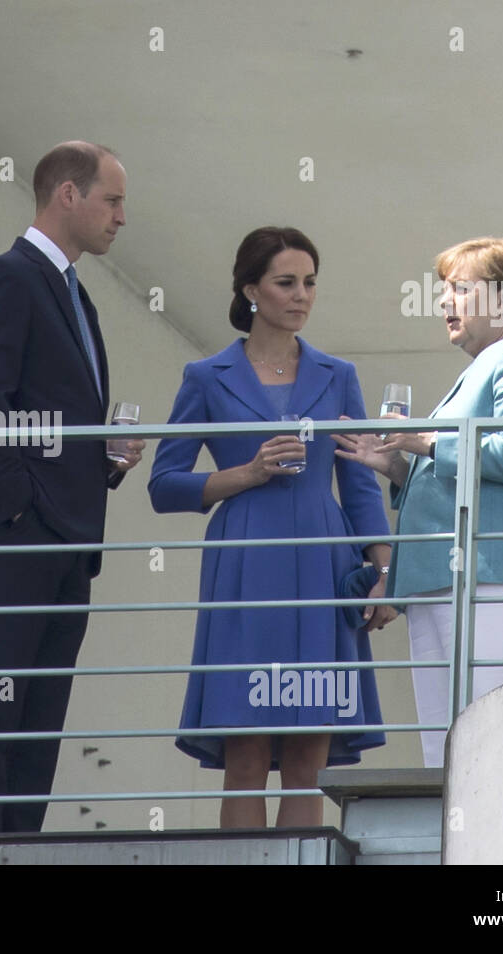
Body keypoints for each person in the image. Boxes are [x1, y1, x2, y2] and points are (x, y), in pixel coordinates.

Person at [148, 227, 394, 829]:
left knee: (310, 750)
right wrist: (248, 472)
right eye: (287, 282)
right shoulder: (206, 376)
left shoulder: (339, 375)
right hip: (245, 559)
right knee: (246, 745)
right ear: (251, 289)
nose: (301, 295)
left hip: (324, 561)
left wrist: (387, 572)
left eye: (310, 282)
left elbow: (360, 483)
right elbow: (164, 482)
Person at [333, 237, 503, 768]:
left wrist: (426, 441)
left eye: (460, 289)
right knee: (444, 752)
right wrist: (398, 464)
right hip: (440, 576)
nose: (444, 303)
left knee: (494, 740)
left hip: (497, 572)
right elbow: (465, 466)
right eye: (444, 291)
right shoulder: (478, 369)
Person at [0, 141, 144, 833]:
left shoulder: (74, 293)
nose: (122, 216)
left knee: (41, 716)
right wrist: (19, 505)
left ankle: (19, 847)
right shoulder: (10, 277)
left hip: (71, 534)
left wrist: (104, 459)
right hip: (24, 531)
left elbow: (48, 413)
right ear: (68, 195)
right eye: (112, 200)